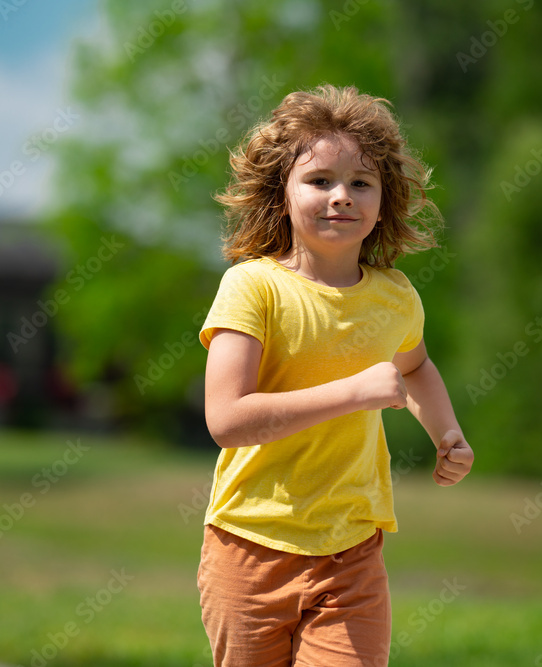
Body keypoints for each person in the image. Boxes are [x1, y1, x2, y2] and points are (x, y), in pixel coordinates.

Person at [197, 83, 474, 666]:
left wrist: (447, 434)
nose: (341, 196)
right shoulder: (253, 287)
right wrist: (352, 392)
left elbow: (416, 367)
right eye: (320, 179)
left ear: (384, 200)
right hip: (250, 548)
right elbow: (226, 419)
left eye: (361, 182)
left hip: (352, 552)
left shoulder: (395, 297)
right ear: (283, 192)